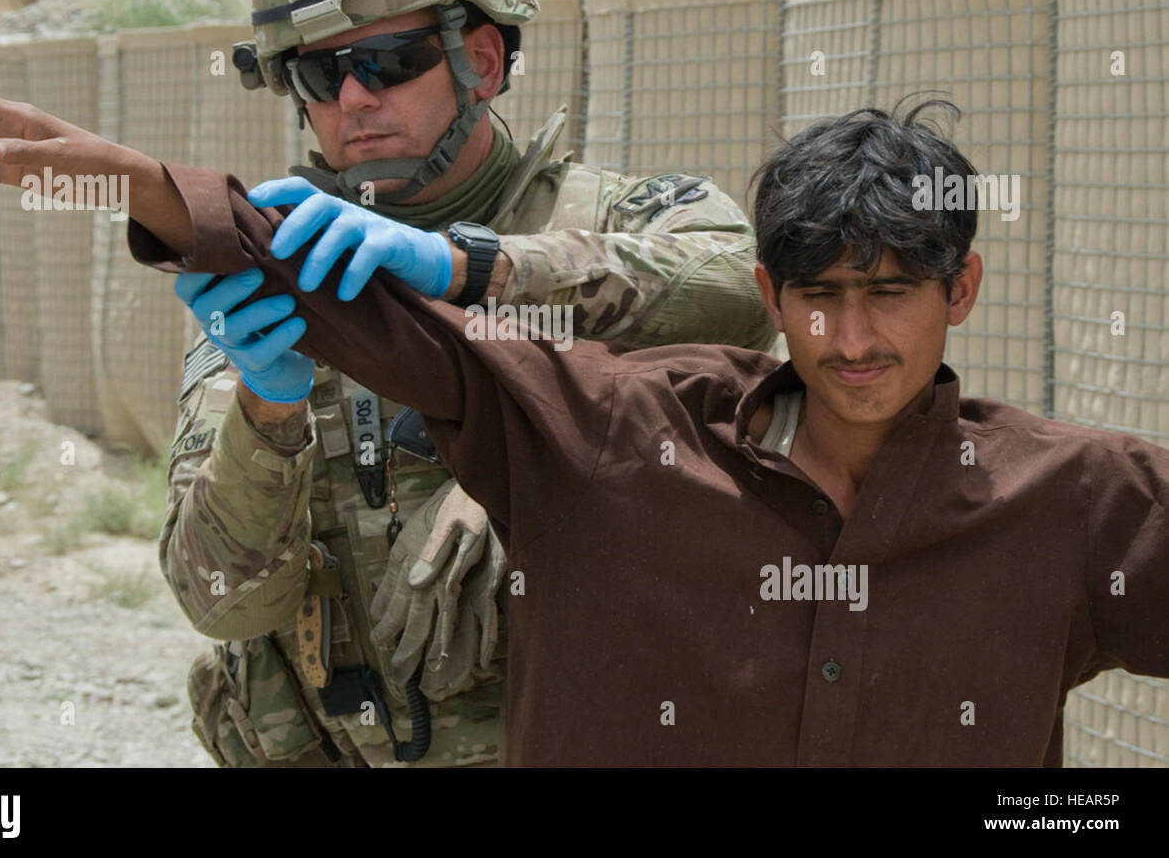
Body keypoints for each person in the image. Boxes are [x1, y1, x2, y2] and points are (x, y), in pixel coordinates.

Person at [0, 0, 776, 767]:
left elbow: (738, 289)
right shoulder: (279, 283)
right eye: (319, 74)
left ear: (482, 58)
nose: (353, 97)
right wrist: (266, 410)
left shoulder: (631, 216)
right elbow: (222, 600)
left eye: (388, 61)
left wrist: (466, 268)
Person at [113, 98, 1166, 766]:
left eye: (890, 293)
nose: (851, 338)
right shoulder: (635, 438)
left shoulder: (1070, 496)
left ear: (961, 288)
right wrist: (160, 198)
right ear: (773, 291)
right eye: (817, 296)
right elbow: (415, 344)